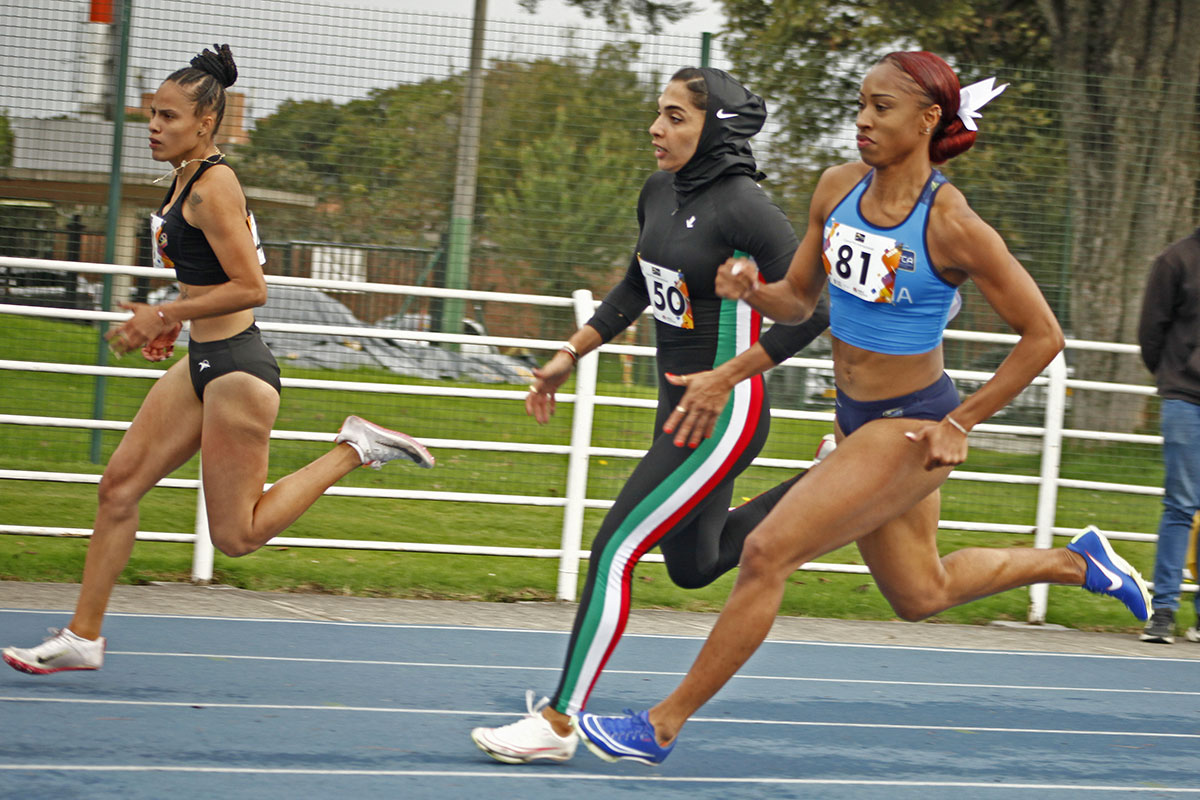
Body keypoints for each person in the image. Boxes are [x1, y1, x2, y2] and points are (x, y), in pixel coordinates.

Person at [572, 51, 1154, 765]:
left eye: (881, 107)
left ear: (928, 119)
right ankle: (1076, 562)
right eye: (860, 104)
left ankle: (659, 725)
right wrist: (753, 290)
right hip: (855, 419)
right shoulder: (837, 188)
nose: (862, 120)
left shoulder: (953, 225)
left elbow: (1044, 337)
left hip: (912, 424)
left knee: (763, 553)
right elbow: (800, 302)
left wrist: (960, 421)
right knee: (921, 593)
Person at [2, 45, 434, 676]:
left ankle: (355, 449)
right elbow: (204, 280)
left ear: (204, 124)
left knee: (236, 537)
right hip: (202, 359)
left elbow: (252, 286)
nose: (154, 126)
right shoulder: (182, 180)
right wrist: (174, 325)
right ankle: (84, 635)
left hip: (237, 373)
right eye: (152, 114)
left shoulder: (214, 185)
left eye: (169, 117)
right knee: (118, 487)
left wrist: (165, 315)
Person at [469, 67, 830, 764]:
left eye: (674, 117)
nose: (656, 129)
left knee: (614, 550)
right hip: (676, 407)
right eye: (657, 114)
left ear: (714, 129)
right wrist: (571, 353)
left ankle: (559, 720)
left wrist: (726, 377)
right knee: (694, 566)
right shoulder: (659, 190)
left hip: (721, 412)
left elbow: (814, 308)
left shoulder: (744, 207)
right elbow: (639, 281)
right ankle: (826, 479)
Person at [1136, 225, 1200, 644]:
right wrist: (1175, 377)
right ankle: (1164, 611)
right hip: (1185, 399)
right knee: (1181, 505)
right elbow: (1150, 333)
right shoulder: (1175, 260)